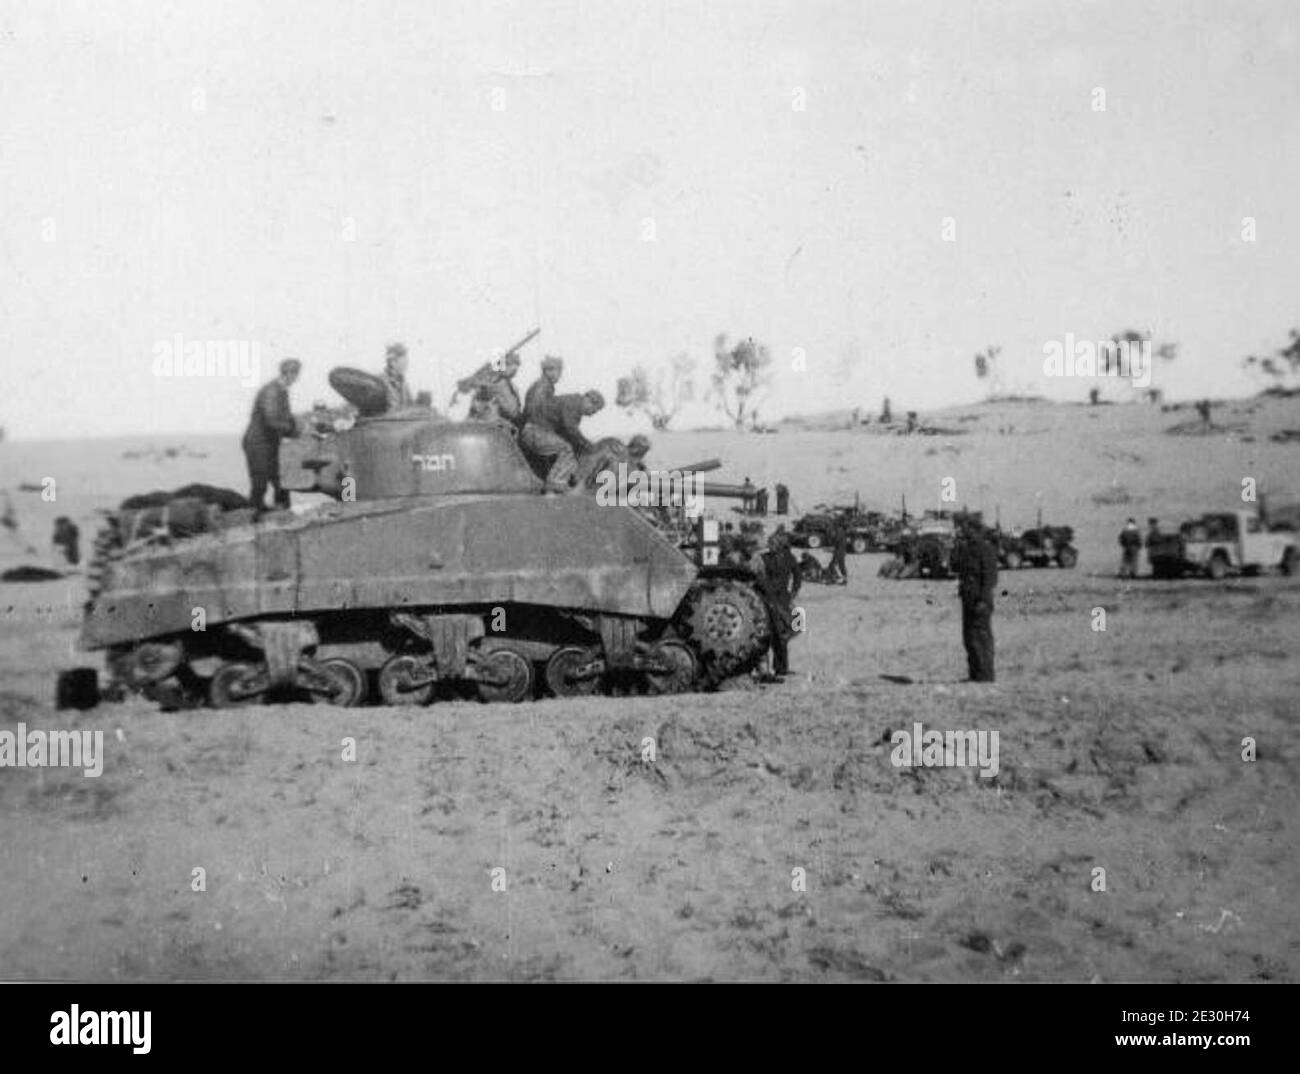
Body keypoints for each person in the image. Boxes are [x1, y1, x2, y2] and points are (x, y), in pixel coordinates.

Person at [242, 358, 302, 513]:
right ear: (289, 374)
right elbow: (272, 420)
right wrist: (292, 431)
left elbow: (286, 416)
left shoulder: (281, 391)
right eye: (296, 375)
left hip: (270, 443)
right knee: (260, 484)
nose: (296, 379)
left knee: (281, 481)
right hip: (258, 443)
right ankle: (252, 518)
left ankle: (282, 513)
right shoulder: (272, 391)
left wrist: (296, 426)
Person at [521, 389, 605, 492]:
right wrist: (589, 446)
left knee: (570, 452)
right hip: (535, 432)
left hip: (539, 432)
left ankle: (562, 483)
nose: (592, 414)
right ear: (588, 401)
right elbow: (571, 430)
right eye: (593, 410)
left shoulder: (574, 404)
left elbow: (569, 433)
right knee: (566, 449)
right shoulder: (572, 404)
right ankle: (555, 483)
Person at [951, 512, 998, 682]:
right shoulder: (966, 548)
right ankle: (975, 674)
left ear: (976, 530)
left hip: (980, 599)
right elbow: (955, 567)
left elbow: (990, 578)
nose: (964, 531)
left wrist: (983, 600)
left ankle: (985, 674)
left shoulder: (985, 549)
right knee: (969, 637)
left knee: (981, 636)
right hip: (968, 598)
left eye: (967, 528)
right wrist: (955, 547)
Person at [757, 530, 802, 680]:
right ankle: (767, 670)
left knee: (787, 633)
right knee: (769, 635)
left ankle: (781, 668)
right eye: (770, 543)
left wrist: (794, 592)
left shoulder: (790, 558)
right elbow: (759, 577)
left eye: (773, 544)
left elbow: (797, 575)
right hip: (768, 600)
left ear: (781, 546)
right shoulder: (764, 558)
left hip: (783, 599)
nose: (770, 546)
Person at [461, 352, 523, 427]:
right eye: (513, 369)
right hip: (496, 425)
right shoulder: (500, 384)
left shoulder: (487, 381)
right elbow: (512, 411)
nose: (515, 372)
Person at [383, 343, 413, 411]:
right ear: (392, 362)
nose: (407, 363)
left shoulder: (403, 384)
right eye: (404, 360)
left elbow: (410, 406)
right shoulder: (381, 382)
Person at [828, 516, 849, 585]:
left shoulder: (839, 530)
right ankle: (844, 580)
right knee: (840, 566)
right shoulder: (840, 530)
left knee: (832, 565)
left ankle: (834, 579)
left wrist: (831, 536)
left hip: (839, 551)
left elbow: (836, 539)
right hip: (841, 551)